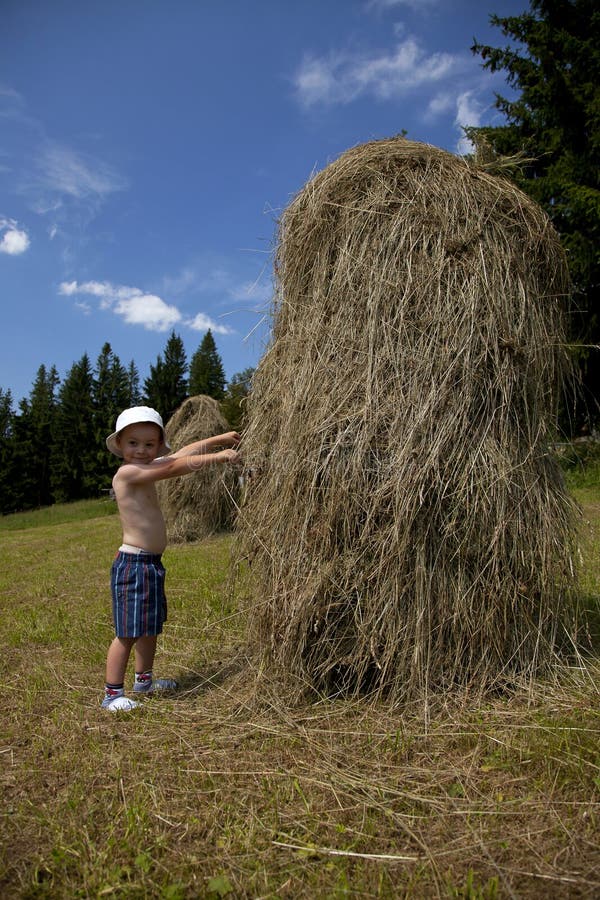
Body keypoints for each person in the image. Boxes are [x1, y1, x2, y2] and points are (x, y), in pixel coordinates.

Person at [101, 405, 241, 711]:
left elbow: (180, 454)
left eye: (149, 444)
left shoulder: (148, 465)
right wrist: (217, 458)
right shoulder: (128, 472)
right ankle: (112, 694)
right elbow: (172, 468)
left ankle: (144, 681)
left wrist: (220, 439)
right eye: (133, 443)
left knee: (149, 627)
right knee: (128, 632)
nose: (141, 450)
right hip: (134, 565)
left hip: (150, 564)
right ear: (121, 445)